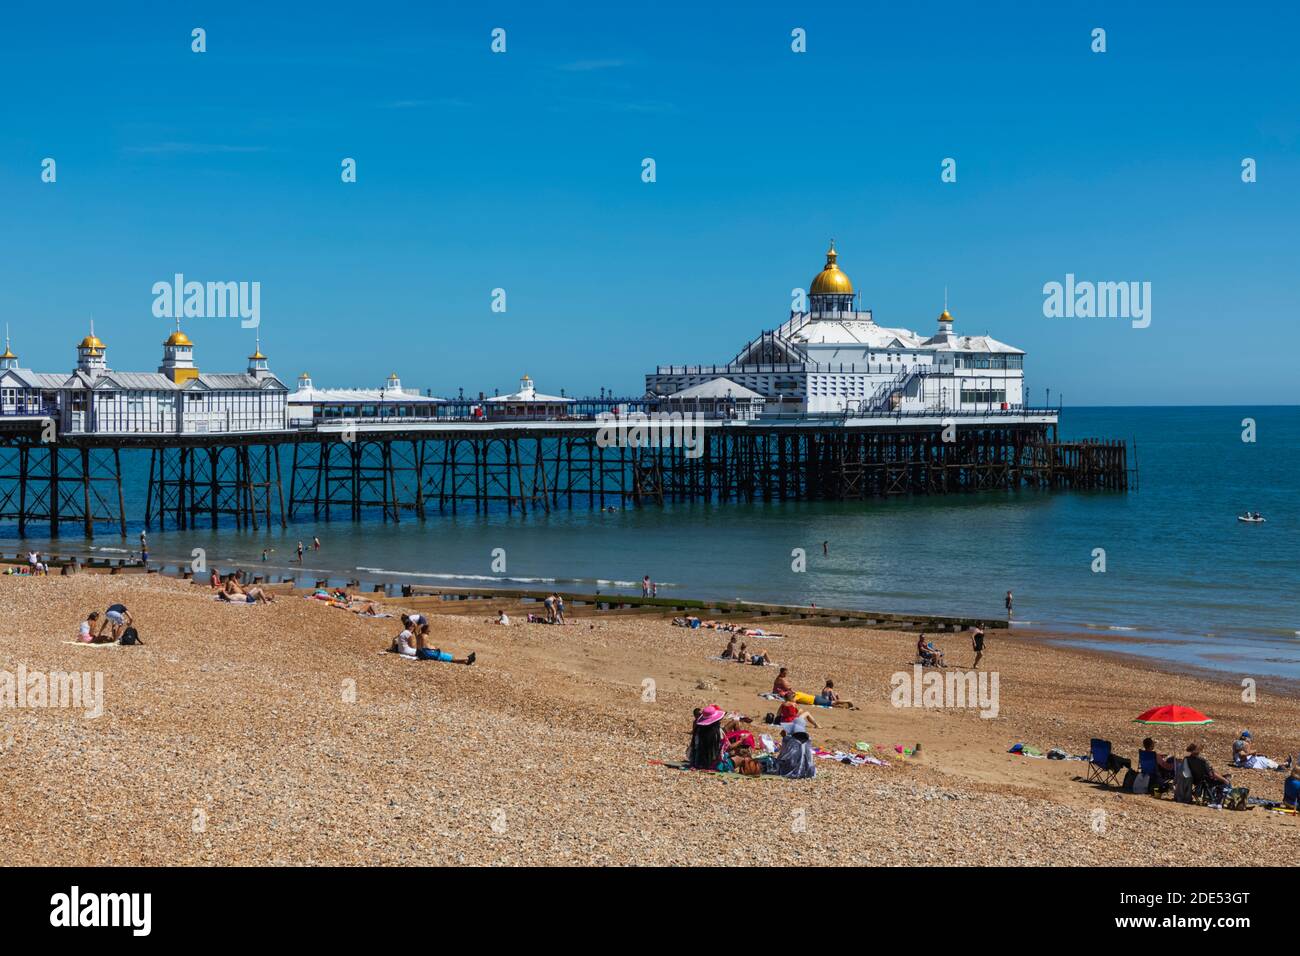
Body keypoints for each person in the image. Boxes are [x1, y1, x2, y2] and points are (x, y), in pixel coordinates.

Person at [686, 705, 726, 770]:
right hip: (713, 764)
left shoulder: (698, 730)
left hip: (698, 762)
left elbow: (695, 747)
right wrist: (741, 741)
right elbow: (723, 748)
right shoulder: (717, 731)